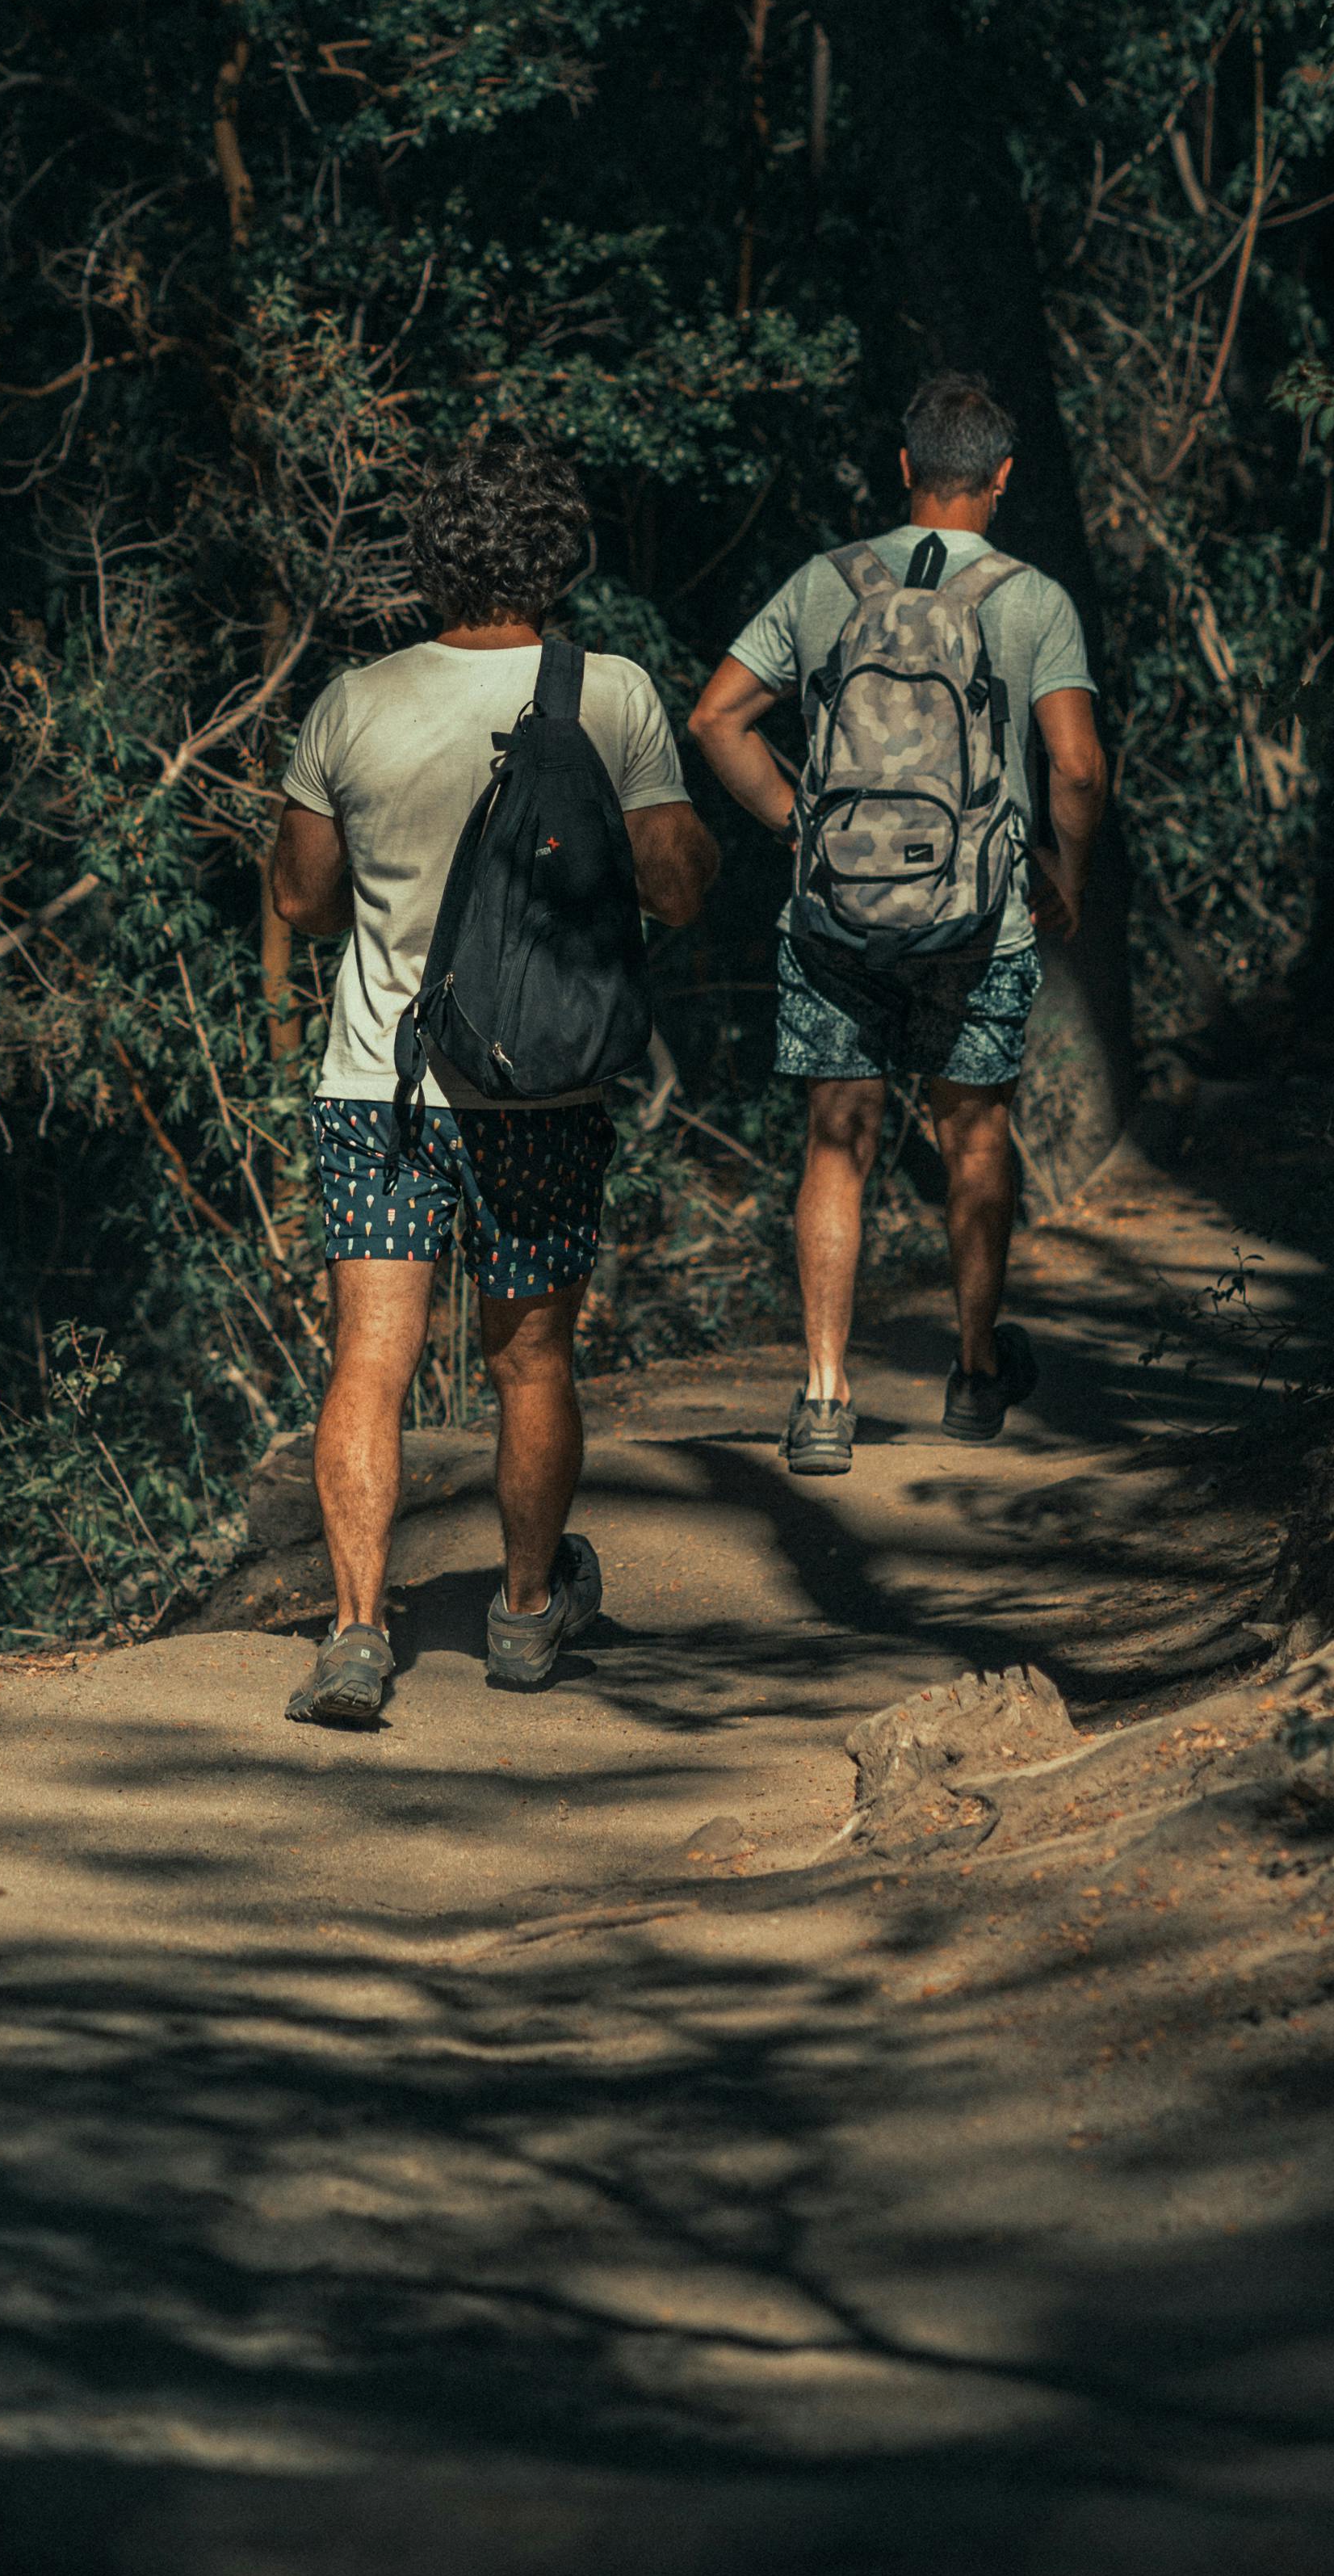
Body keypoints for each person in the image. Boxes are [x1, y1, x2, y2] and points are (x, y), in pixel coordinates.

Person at [267, 431, 716, 1729]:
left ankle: (356, 1637)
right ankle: (523, 1614)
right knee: (534, 1363)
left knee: (371, 1360)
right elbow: (678, 890)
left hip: (379, 1087)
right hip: (547, 1092)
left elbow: (302, 897)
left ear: (429, 559)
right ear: (558, 553)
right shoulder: (613, 693)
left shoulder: (353, 702)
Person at [689, 370, 1107, 1474]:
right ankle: (973, 1371)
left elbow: (716, 717)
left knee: (839, 1142)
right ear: (1004, 478)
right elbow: (1076, 764)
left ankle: (824, 1397)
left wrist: (800, 826)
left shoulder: (827, 585)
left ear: (907, 469)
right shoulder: (1032, 600)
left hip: (836, 916)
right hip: (981, 917)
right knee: (975, 1137)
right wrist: (1063, 868)